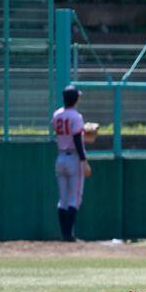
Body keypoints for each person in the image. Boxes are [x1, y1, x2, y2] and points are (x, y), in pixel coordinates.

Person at [50, 85, 92, 242]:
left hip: (60, 156)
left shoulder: (57, 114)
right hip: (74, 157)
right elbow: (76, 139)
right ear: (76, 99)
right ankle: (69, 235)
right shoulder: (76, 116)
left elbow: (61, 131)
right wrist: (84, 160)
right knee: (75, 197)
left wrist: (81, 133)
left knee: (63, 198)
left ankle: (64, 234)